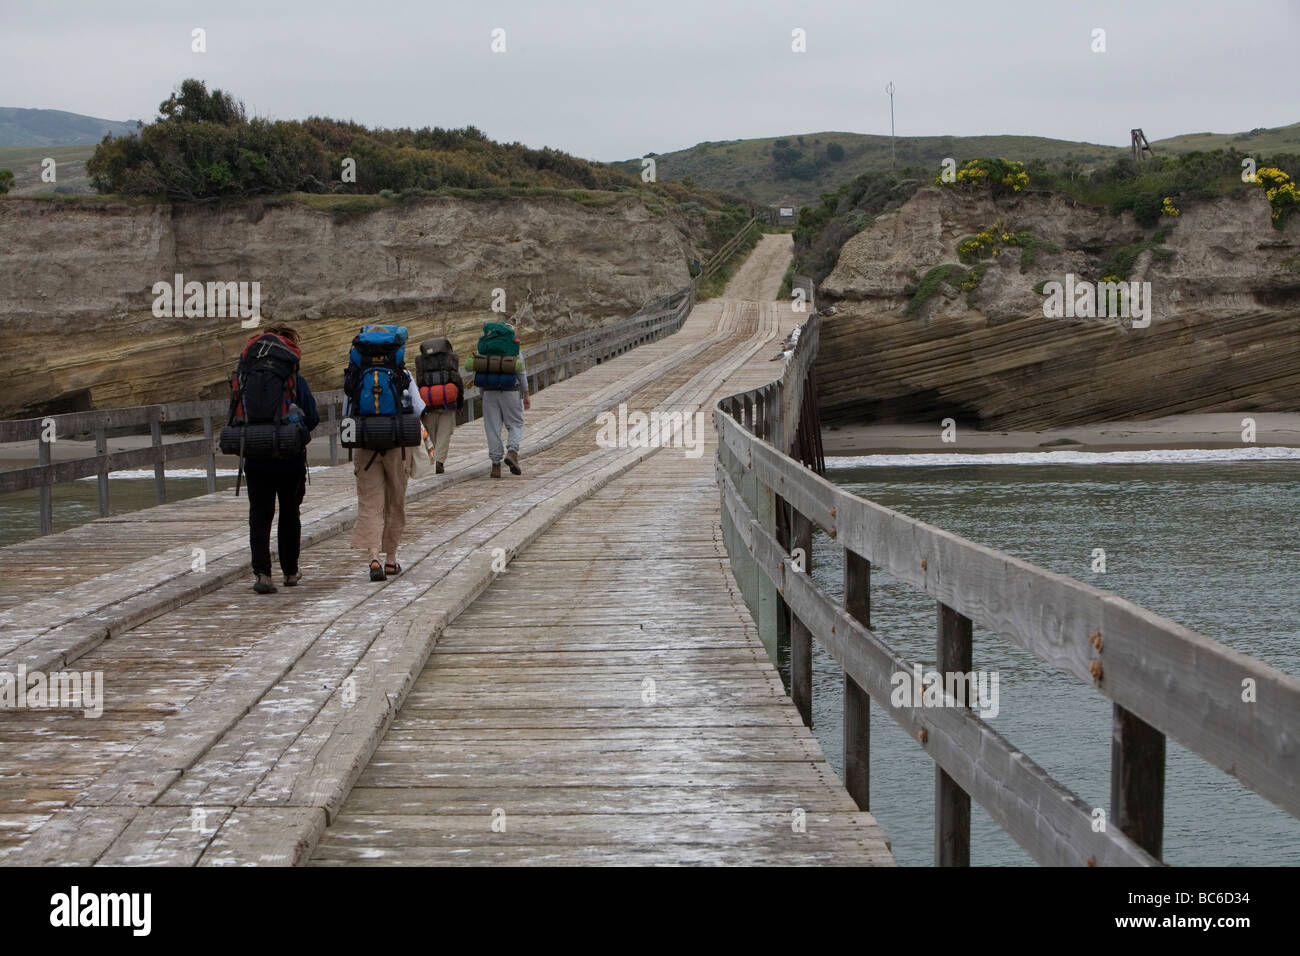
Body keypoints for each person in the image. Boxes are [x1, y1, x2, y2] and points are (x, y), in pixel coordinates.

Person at [243, 324, 319, 594]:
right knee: (289, 512)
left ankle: (263, 573)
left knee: (259, 514)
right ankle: (290, 571)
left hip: (255, 454)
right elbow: (312, 418)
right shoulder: (296, 380)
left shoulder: (247, 376)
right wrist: (291, 435)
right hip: (289, 457)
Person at [347, 338, 425, 581]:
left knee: (370, 503)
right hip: (397, 445)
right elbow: (419, 409)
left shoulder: (358, 374)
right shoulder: (402, 373)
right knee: (395, 502)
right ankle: (391, 559)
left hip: (366, 445)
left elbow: (347, 413)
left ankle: (373, 558)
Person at [478, 329, 531, 478]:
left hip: (489, 392)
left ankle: (495, 465)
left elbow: (481, 370)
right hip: (510, 391)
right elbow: (521, 372)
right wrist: (526, 393)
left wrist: (482, 392)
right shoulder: (513, 349)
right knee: (516, 424)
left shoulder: (485, 348)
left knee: (492, 428)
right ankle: (512, 451)